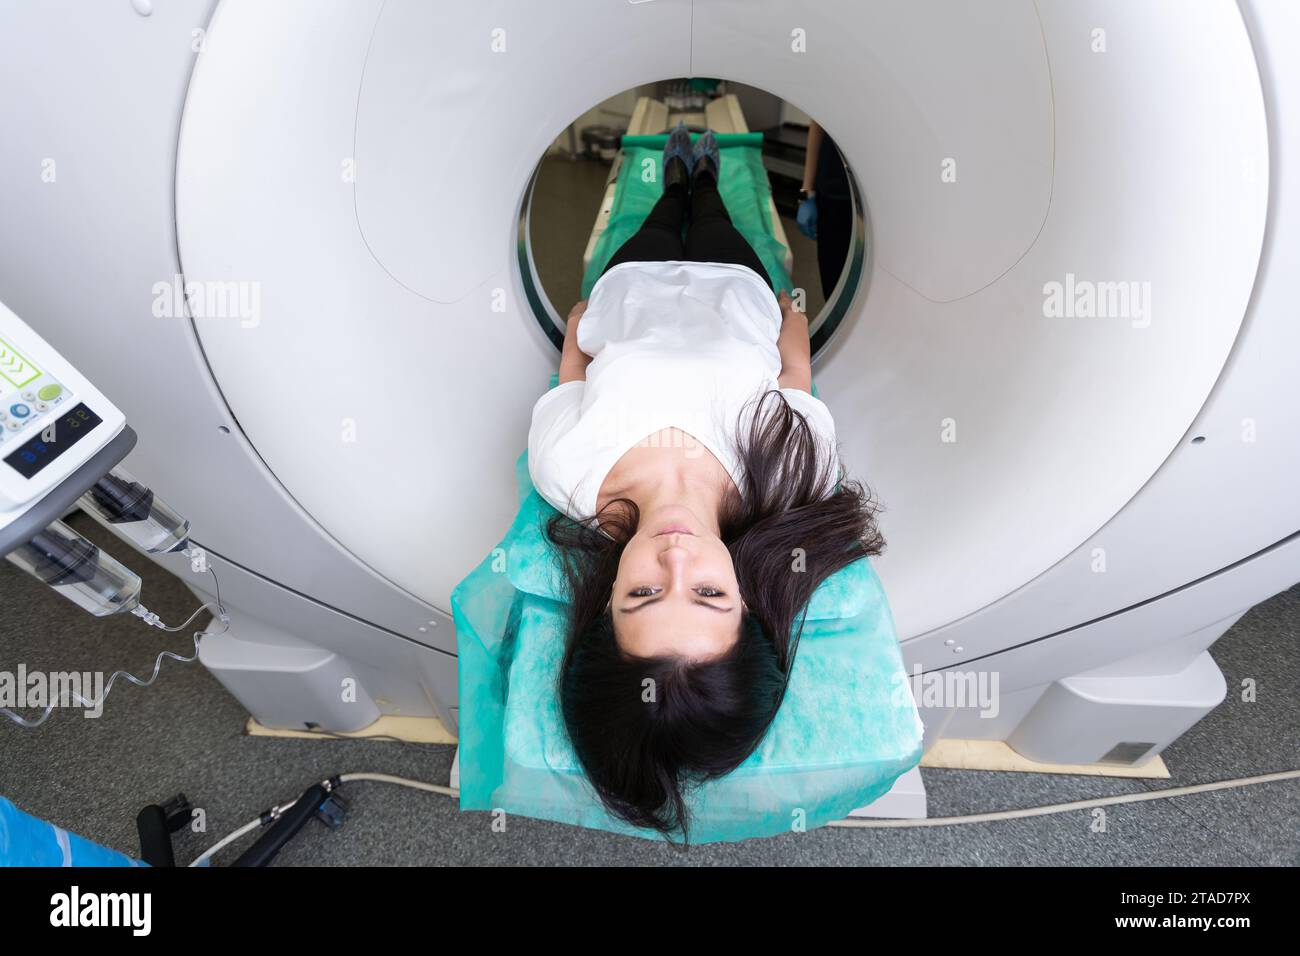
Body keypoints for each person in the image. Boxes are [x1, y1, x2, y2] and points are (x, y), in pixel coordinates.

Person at [527, 123, 883, 839]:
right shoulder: (792, 473)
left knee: (661, 216)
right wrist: (789, 315)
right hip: (736, 289)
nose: (677, 556)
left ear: (602, 608)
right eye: (710, 594)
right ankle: (707, 175)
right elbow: (796, 375)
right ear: (750, 602)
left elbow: (572, 379)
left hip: (631, 286)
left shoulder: (565, 475)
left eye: (644, 593)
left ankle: (676, 178)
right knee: (714, 217)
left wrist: (576, 330)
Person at [797, 118, 853, 300]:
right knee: (833, 286)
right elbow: (818, 124)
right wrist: (806, 193)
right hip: (833, 194)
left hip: (879, 200)